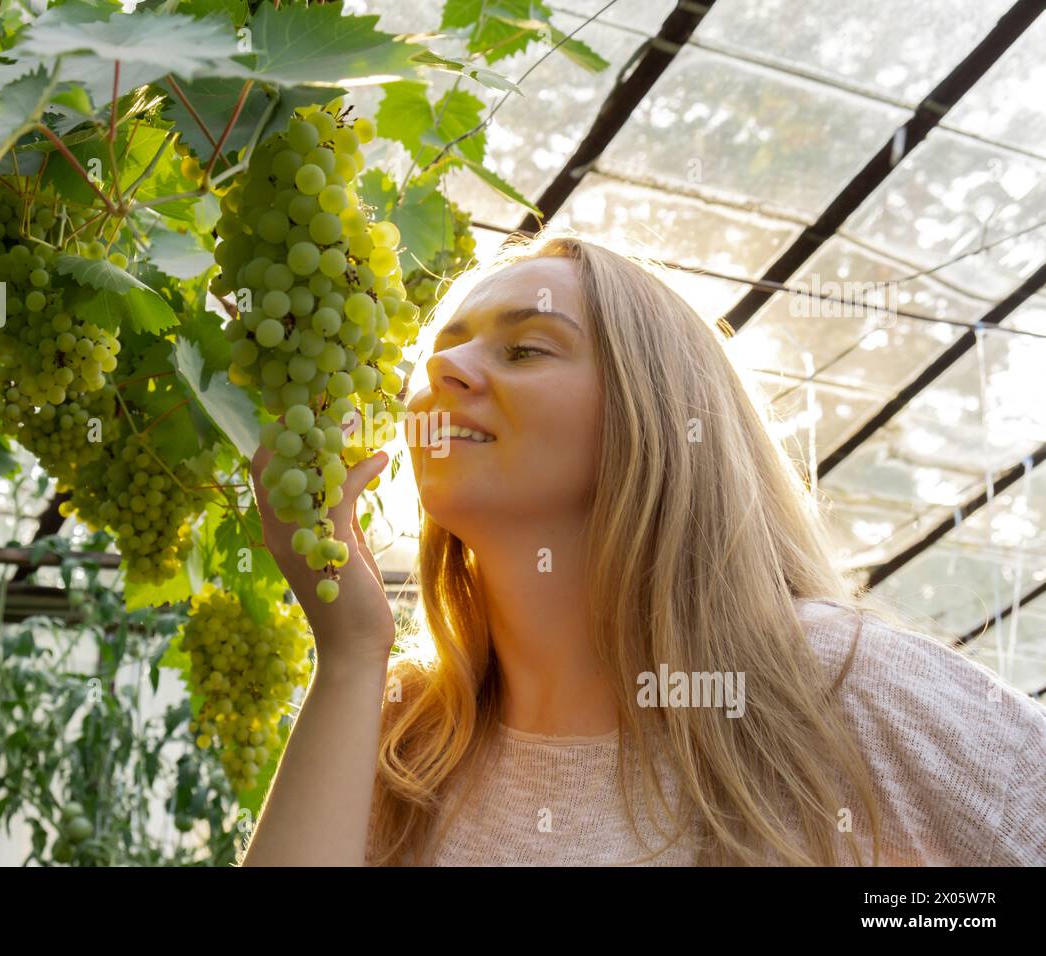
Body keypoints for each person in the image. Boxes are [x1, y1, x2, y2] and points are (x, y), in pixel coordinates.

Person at [237, 226, 1046, 867]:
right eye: (438, 351)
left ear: (655, 415)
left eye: (524, 348)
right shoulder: (406, 734)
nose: (445, 368)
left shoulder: (833, 683)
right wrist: (348, 654)